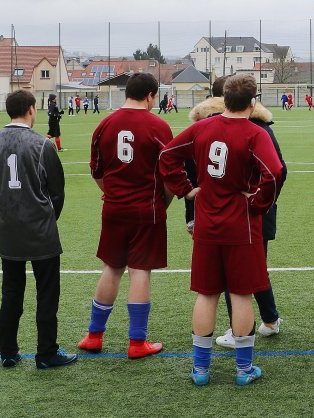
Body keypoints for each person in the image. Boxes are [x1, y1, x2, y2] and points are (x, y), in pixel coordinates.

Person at [160, 73, 284, 387]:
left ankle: (201, 370)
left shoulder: (202, 127)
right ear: (253, 102)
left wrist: (186, 189)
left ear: (222, 99)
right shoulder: (256, 134)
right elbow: (274, 172)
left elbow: (166, 156)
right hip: (241, 225)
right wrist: (258, 202)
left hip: (206, 224)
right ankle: (243, 370)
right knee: (241, 293)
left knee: (207, 293)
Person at [76, 74, 174, 359]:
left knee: (112, 267)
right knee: (140, 270)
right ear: (150, 95)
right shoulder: (158, 126)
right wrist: (163, 203)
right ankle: (137, 342)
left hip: (114, 208)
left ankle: (94, 336)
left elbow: (96, 170)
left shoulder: (105, 124)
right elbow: (169, 175)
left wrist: (110, 194)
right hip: (147, 209)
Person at [187, 76, 287, 348]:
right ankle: (265, 322)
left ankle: (244, 330)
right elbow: (279, 172)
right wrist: (262, 201)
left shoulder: (210, 127)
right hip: (248, 212)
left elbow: (188, 171)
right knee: (249, 275)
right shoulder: (257, 125)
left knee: (229, 285)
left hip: (228, 215)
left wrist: (191, 206)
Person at [0, 90, 76, 370]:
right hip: (40, 232)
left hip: (8, 230)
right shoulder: (43, 145)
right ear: (32, 110)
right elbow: (57, 192)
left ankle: (8, 352)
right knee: (47, 293)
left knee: (11, 292)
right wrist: (47, 219)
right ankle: (46, 353)